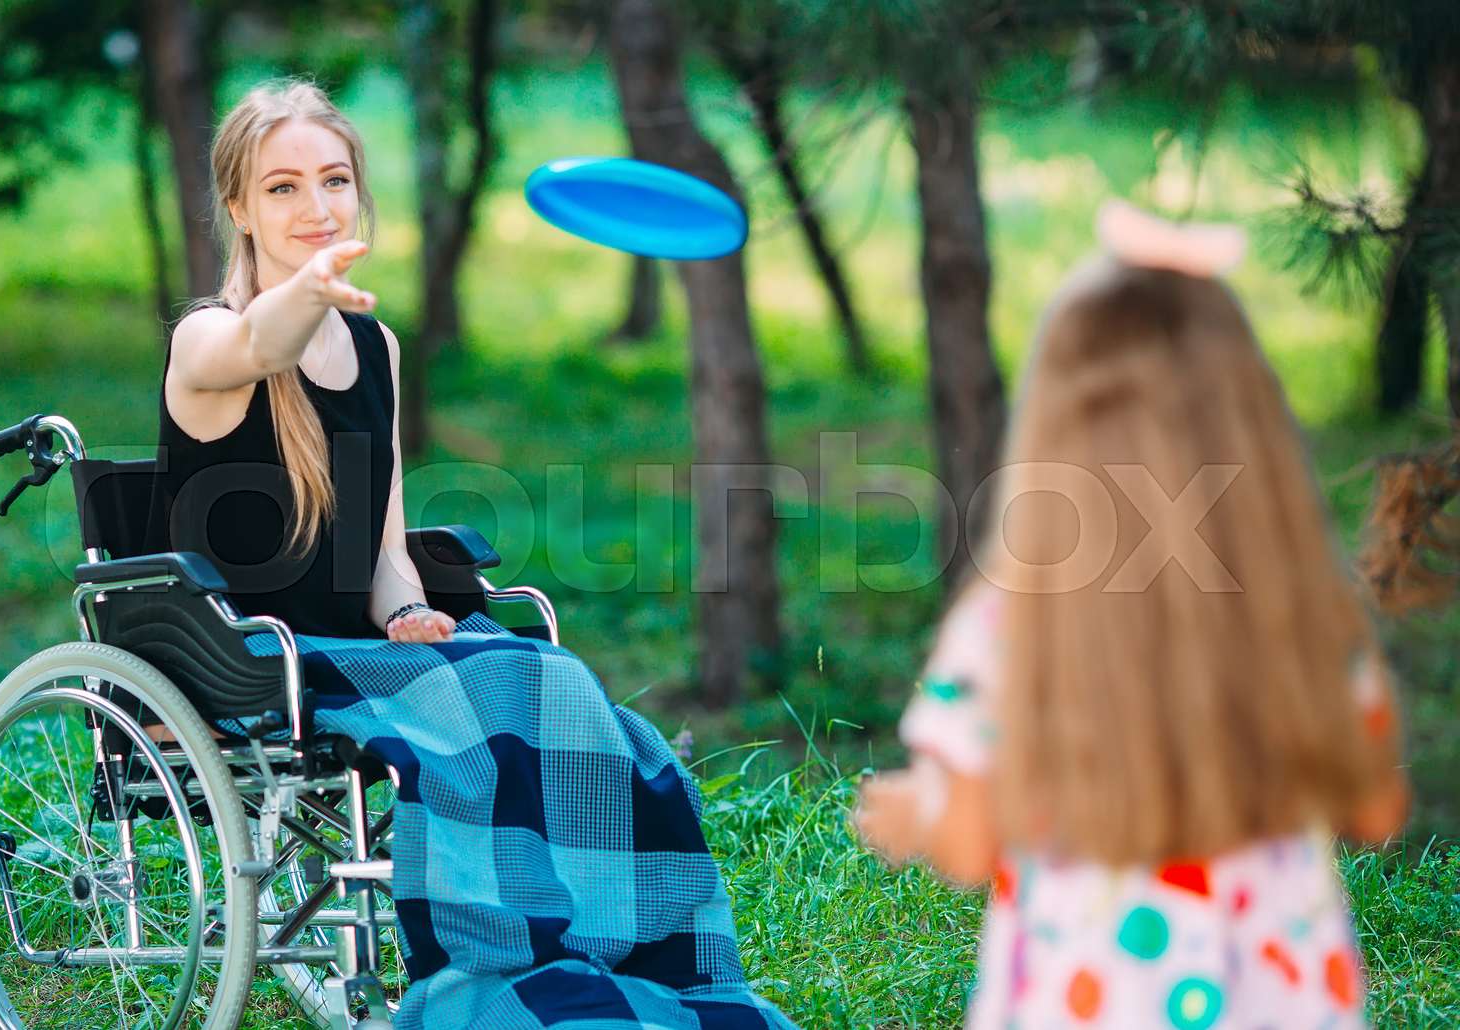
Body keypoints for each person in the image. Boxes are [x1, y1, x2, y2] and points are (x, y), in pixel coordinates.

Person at [145, 79, 794, 1030]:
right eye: (282, 189)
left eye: (333, 180)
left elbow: (382, 540)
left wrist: (408, 608)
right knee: (468, 702)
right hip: (249, 658)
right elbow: (254, 340)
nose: (316, 207)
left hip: (360, 645)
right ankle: (486, 984)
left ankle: (641, 965)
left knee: (556, 682)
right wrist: (307, 294)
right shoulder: (208, 336)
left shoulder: (377, 347)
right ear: (237, 207)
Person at [852, 201, 1409, 1030]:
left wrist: (915, 811)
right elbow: (1377, 812)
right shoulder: (1309, 621)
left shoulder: (1007, 634)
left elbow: (968, 848)